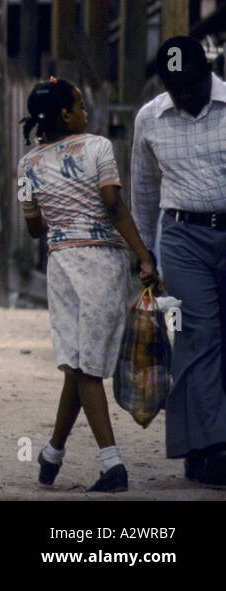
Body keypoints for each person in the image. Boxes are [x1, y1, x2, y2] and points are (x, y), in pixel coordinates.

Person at [17, 77, 156, 493]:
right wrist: (143, 255)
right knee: (84, 365)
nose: (85, 110)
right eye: (80, 104)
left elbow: (33, 228)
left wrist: (56, 209)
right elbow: (113, 203)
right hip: (104, 263)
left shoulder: (27, 164)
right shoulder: (97, 147)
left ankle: (55, 452)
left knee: (81, 365)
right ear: (65, 113)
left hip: (61, 264)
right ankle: (107, 463)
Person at [131, 36, 226, 487]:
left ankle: (207, 441)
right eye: (176, 88)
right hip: (182, 238)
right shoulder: (150, 118)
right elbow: (144, 191)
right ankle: (208, 448)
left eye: (191, 86)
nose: (185, 95)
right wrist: (144, 252)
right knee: (199, 336)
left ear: (208, 74)